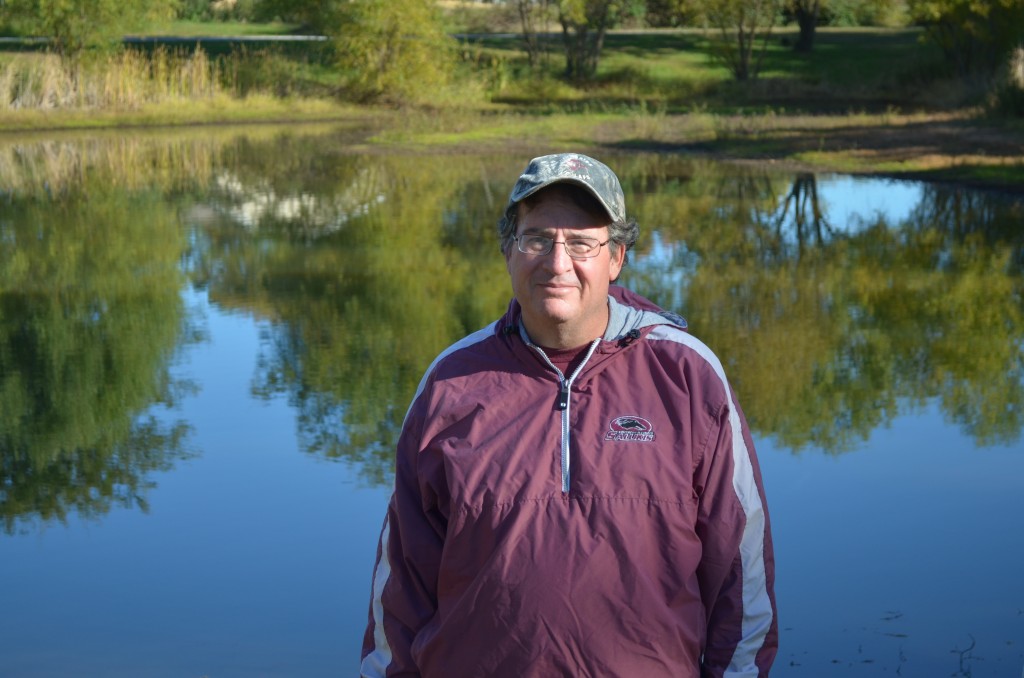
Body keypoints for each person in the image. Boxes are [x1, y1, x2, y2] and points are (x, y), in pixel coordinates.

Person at [361, 152, 777, 677]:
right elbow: (400, 587)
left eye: (582, 243)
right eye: (537, 238)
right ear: (509, 250)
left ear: (616, 257)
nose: (558, 262)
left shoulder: (688, 375)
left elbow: (741, 576)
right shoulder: (450, 383)